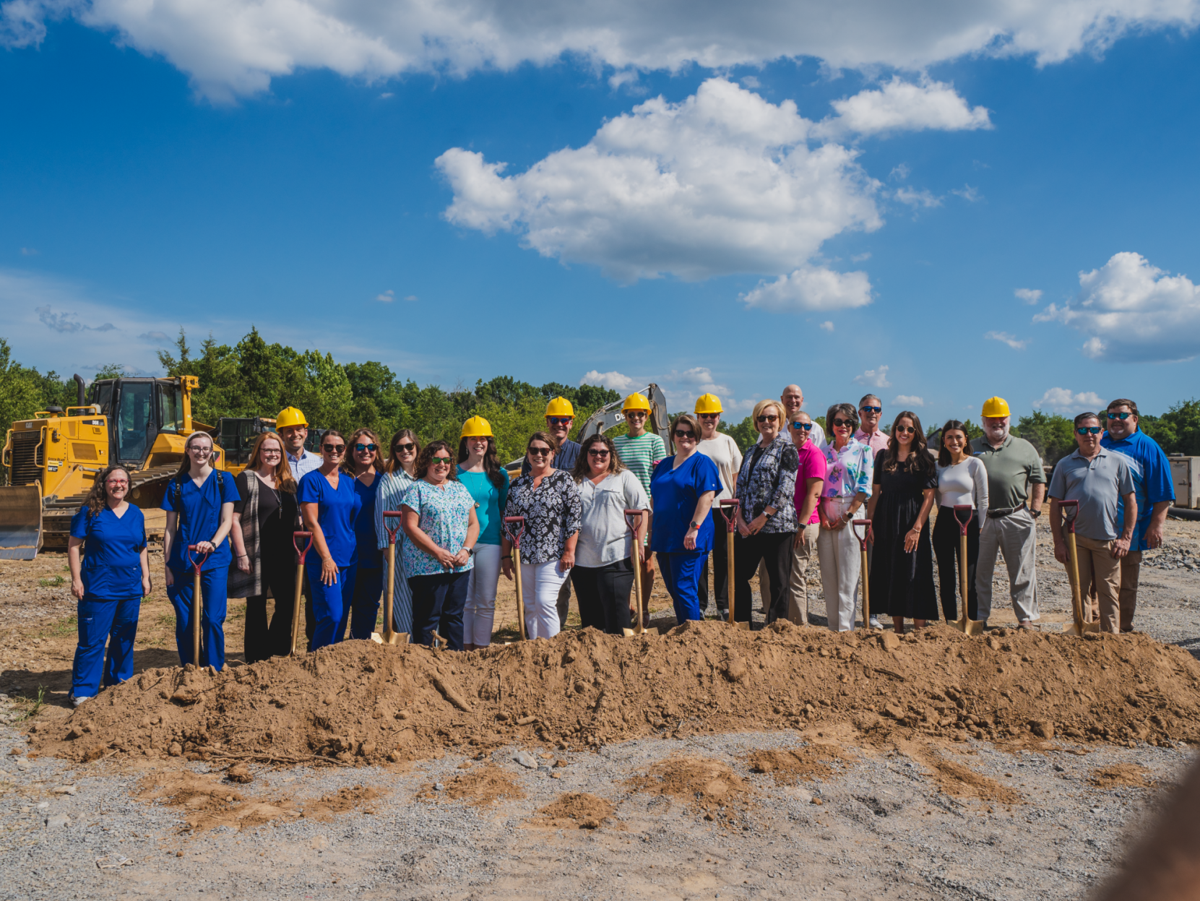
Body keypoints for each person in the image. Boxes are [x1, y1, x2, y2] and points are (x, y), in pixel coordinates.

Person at [1049, 413, 1137, 634]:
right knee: (1079, 590)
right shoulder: (1064, 464)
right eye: (1082, 430)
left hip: (1107, 539)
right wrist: (1059, 543)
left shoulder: (1117, 462)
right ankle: (1084, 637)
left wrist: (1125, 538)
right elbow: (1054, 506)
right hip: (1074, 538)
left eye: (1093, 430)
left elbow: (1130, 501)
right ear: (1075, 433)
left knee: (1109, 591)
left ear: (1101, 433)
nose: (1088, 434)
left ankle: (1110, 639)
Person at [67, 465, 148, 706]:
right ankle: (83, 691)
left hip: (130, 587)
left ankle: (118, 684)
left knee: (124, 639)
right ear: (104, 484)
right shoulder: (90, 512)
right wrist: (76, 579)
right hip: (99, 588)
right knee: (93, 640)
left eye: (123, 481)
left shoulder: (136, 513)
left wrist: (146, 577)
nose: (119, 485)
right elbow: (73, 546)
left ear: (129, 485)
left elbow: (141, 547)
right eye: (113, 481)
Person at [162, 431, 239, 669]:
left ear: (212, 453)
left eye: (206, 448)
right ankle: (191, 667)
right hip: (183, 560)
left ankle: (214, 668)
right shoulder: (176, 484)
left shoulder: (224, 480)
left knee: (213, 618)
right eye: (196, 448)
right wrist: (166, 567)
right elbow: (169, 530)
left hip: (214, 560)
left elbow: (227, 521)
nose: (201, 452)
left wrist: (213, 544)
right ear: (187, 450)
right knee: (186, 620)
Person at [1097, 398, 1175, 632]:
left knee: (1125, 583)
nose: (1116, 420)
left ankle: (1121, 629)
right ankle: (1094, 631)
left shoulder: (1147, 447)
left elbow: (1162, 493)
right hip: (1095, 530)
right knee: (1094, 583)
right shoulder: (1099, 442)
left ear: (1135, 418)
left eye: (1122, 415)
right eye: (1111, 415)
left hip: (1130, 530)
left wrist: (1156, 526)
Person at [971, 396, 1046, 628]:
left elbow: (1038, 480)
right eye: (992, 419)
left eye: (1001, 418)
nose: (997, 423)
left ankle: (1025, 618)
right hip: (981, 519)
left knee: (1022, 570)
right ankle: (978, 618)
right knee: (979, 572)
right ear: (983, 421)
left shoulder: (1024, 447)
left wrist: (1034, 512)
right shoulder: (971, 447)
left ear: (1009, 419)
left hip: (1016, 516)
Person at [401, 441, 479, 650]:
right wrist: (437, 552)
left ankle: (454, 665)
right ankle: (424, 667)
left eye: (446, 460)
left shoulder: (460, 488)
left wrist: (466, 550)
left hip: (459, 565)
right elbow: (410, 526)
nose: (441, 464)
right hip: (427, 567)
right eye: (436, 459)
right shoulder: (416, 489)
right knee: (428, 619)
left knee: (454, 617)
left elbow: (473, 524)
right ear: (427, 461)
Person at [228, 432, 299, 661]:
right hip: (257, 552)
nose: (272, 454)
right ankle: (257, 656)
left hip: (286, 554)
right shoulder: (246, 478)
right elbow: (233, 519)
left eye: (277, 450)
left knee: (287, 603)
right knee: (256, 606)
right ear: (258, 452)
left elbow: (296, 517)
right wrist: (241, 554)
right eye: (267, 450)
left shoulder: (288, 482)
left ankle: (277, 649)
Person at [503, 433, 581, 639]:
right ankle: (534, 651)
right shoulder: (517, 485)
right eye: (534, 450)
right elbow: (507, 523)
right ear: (528, 454)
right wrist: (506, 557)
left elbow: (574, 517)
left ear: (552, 454)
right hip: (524, 553)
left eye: (544, 450)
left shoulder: (563, 479)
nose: (539, 454)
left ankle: (552, 651)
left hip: (554, 554)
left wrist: (569, 551)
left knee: (545, 602)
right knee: (529, 605)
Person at [570, 434, 649, 634]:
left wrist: (638, 543)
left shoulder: (623, 477)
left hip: (616, 557)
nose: (598, 456)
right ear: (585, 454)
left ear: (611, 455)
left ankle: (622, 659)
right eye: (593, 452)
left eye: (603, 452)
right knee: (590, 622)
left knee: (617, 615)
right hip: (582, 561)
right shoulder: (575, 480)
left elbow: (642, 510)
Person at [866, 412, 937, 632]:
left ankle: (919, 631)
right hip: (885, 521)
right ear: (894, 429)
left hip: (912, 521)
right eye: (900, 428)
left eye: (909, 429)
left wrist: (916, 528)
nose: (904, 433)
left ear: (916, 432)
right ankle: (897, 630)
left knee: (915, 571)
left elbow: (929, 496)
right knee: (891, 571)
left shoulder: (925, 459)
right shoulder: (882, 457)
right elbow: (876, 493)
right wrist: (870, 523)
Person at [650, 414, 722, 624]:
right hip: (665, 536)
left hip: (689, 537)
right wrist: (650, 529)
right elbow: (655, 497)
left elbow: (707, 496)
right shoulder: (664, 465)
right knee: (674, 588)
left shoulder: (702, 463)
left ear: (697, 437)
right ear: (673, 436)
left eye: (690, 433)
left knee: (685, 587)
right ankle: (683, 631)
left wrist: (694, 527)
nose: (685, 437)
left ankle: (693, 637)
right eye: (680, 432)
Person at [732, 400, 798, 624]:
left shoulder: (787, 449)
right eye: (762, 418)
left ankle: (777, 627)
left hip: (777, 526)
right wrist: (739, 518)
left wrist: (763, 518)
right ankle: (743, 624)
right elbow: (740, 488)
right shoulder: (750, 451)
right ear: (756, 422)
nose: (767, 422)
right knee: (739, 575)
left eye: (772, 417)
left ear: (780, 420)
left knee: (779, 581)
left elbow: (785, 489)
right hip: (748, 527)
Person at [297, 430, 362, 650]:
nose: (334, 451)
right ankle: (317, 663)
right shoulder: (311, 481)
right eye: (329, 447)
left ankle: (333, 667)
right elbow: (311, 523)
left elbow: (349, 518)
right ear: (321, 449)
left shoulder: (348, 481)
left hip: (349, 558)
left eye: (339, 448)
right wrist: (326, 557)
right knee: (330, 615)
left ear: (345, 451)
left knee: (342, 617)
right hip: (324, 559)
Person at [522, 397, 581, 626]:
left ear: (571, 423)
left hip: (576, 527)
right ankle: (554, 631)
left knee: (581, 582)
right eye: (554, 420)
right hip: (550, 536)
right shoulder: (536, 453)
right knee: (557, 589)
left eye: (564, 420)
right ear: (547, 422)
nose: (560, 424)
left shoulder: (579, 451)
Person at [612, 392, 666, 628]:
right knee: (623, 560)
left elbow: (659, 477)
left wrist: (653, 511)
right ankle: (626, 607)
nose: (636, 418)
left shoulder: (655, 441)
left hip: (647, 509)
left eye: (640, 414)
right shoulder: (615, 443)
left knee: (645, 560)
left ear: (647, 416)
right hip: (621, 511)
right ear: (625, 416)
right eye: (631, 414)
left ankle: (643, 608)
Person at [817, 404, 873, 631]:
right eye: (838, 422)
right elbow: (816, 486)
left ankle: (845, 631)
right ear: (831, 424)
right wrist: (821, 515)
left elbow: (864, 487)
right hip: (825, 512)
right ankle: (833, 629)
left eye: (848, 422)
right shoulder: (823, 452)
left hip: (851, 509)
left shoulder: (862, 451)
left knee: (848, 577)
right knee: (829, 577)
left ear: (853, 425)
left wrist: (848, 515)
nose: (843, 426)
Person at [457, 416, 510, 649]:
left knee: (486, 600)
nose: (478, 442)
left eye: (483, 438)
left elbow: (504, 510)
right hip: (462, 544)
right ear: (465, 442)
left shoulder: (501, 475)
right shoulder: (453, 473)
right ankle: (464, 647)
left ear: (489, 442)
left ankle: (481, 648)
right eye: (473, 438)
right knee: (465, 601)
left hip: (490, 542)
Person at [932, 421, 989, 624]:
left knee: (969, 576)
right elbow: (938, 497)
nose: (954, 441)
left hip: (970, 522)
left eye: (958, 437)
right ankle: (950, 621)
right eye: (949, 437)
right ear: (943, 441)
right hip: (945, 521)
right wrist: (944, 515)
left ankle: (970, 620)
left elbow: (983, 498)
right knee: (946, 577)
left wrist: (980, 526)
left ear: (965, 439)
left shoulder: (975, 464)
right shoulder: (938, 466)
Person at [695, 393, 742, 618]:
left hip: (725, 508)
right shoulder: (692, 443)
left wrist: (738, 504)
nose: (708, 419)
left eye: (712, 415)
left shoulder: (727, 441)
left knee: (724, 556)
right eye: (704, 415)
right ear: (697, 417)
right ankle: (701, 604)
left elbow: (735, 476)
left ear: (719, 417)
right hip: (700, 509)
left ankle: (723, 604)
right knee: (701, 556)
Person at [374, 429, 421, 636]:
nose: (405, 451)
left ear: (416, 448)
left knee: (425, 601)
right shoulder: (389, 480)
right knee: (402, 600)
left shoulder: (427, 475)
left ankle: (429, 646)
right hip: (398, 547)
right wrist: (386, 549)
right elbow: (381, 514)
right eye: (399, 447)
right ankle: (407, 648)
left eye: (409, 446)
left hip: (426, 549)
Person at [344, 428, 384, 640]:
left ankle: (359, 651)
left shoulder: (385, 481)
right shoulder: (342, 480)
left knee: (367, 608)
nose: (365, 451)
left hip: (374, 556)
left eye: (371, 447)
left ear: (377, 451)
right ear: (351, 450)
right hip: (346, 555)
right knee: (340, 608)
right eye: (360, 446)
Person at [787, 411, 825, 625]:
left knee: (796, 575)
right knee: (788, 572)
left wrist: (801, 526)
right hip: (788, 522)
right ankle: (785, 620)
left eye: (807, 426)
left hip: (805, 523)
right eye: (797, 424)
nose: (802, 429)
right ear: (789, 427)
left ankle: (799, 624)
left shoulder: (813, 454)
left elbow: (814, 494)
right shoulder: (788, 451)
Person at [277, 406, 320, 482]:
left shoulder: (319, 463)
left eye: (298, 429)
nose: (295, 434)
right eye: (289, 430)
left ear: (305, 433)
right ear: (281, 436)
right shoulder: (275, 463)